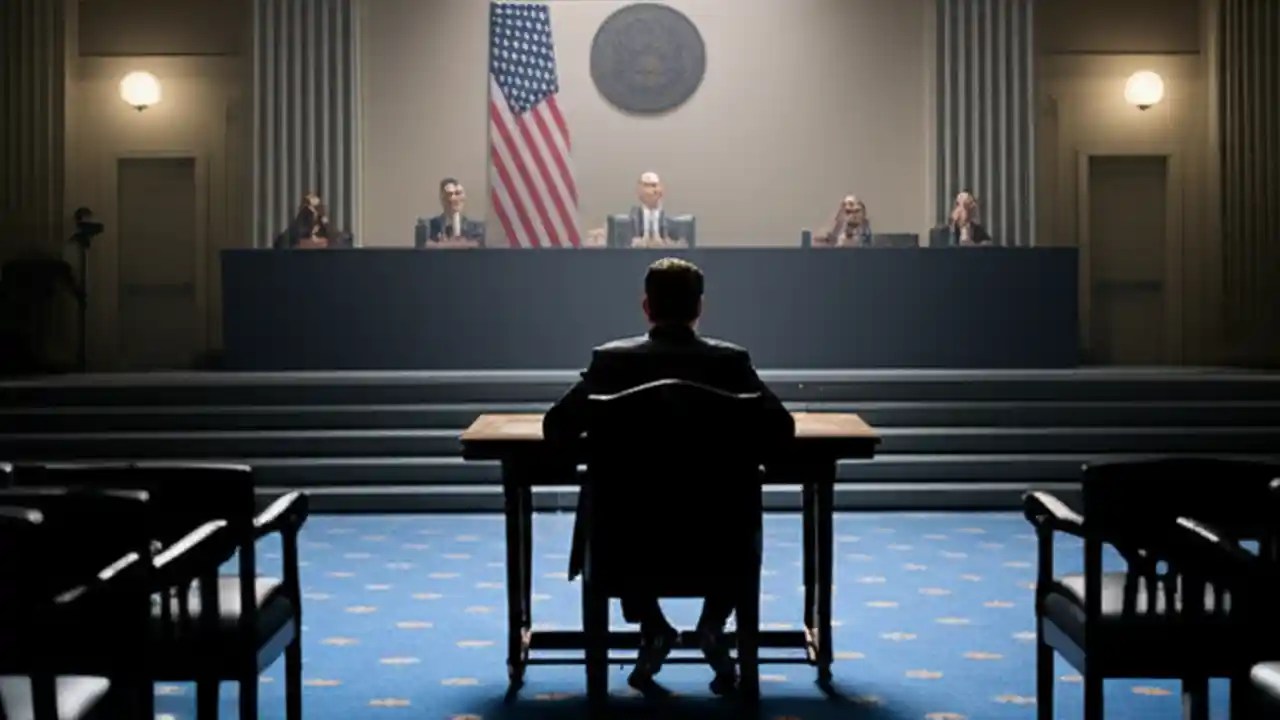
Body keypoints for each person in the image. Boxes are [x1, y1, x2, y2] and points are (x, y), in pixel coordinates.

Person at [543, 257, 794, 694]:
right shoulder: (731, 364)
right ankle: (714, 624)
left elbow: (555, 428)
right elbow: (782, 430)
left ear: (646, 307)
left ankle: (653, 626)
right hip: (718, 541)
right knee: (732, 514)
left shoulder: (612, 363)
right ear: (700, 308)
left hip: (628, 545)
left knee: (614, 512)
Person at [415, 178, 485, 249]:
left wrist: (442, 245)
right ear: (442, 198)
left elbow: (480, 246)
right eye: (449, 194)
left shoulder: (477, 228)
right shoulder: (428, 226)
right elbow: (422, 248)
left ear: (464, 197)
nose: (453, 198)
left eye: (458, 193)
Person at [627, 172, 687, 248]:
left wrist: (666, 244)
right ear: (639, 191)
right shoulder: (629, 221)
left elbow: (684, 245)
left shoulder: (673, 221)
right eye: (646, 186)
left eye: (654, 185)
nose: (652, 190)